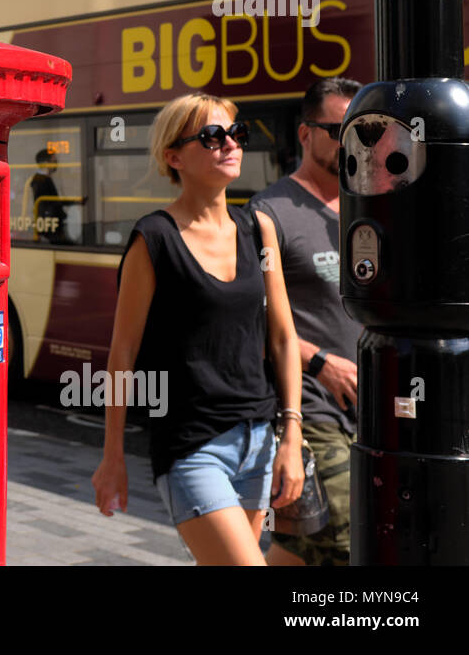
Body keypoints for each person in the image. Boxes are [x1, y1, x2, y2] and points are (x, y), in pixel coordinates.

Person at [92, 92, 304, 565]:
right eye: (212, 136)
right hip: (193, 446)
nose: (230, 144)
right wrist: (112, 457)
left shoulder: (258, 230)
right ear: (174, 156)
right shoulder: (154, 239)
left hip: (259, 440)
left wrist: (291, 432)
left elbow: (284, 337)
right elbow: (122, 353)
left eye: (237, 134)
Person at [249, 77, 363, 566]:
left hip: (371, 405)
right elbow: (253, 318)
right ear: (304, 134)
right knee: (346, 539)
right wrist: (322, 365)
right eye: (336, 130)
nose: (348, 143)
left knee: (297, 544)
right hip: (310, 408)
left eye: (359, 131)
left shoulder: (371, 207)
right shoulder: (269, 214)